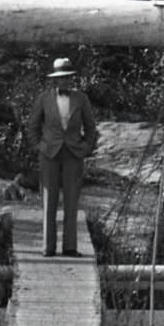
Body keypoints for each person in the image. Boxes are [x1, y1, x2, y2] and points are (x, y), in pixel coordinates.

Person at [29, 57, 100, 258]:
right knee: (49, 200)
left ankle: (70, 247)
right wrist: (39, 146)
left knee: (71, 201)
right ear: (55, 80)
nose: (65, 81)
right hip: (49, 154)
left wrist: (85, 147)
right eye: (61, 78)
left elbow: (91, 127)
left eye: (68, 78)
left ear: (72, 79)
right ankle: (48, 247)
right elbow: (32, 127)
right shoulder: (43, 98)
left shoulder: (81, 98)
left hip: (73, 154)